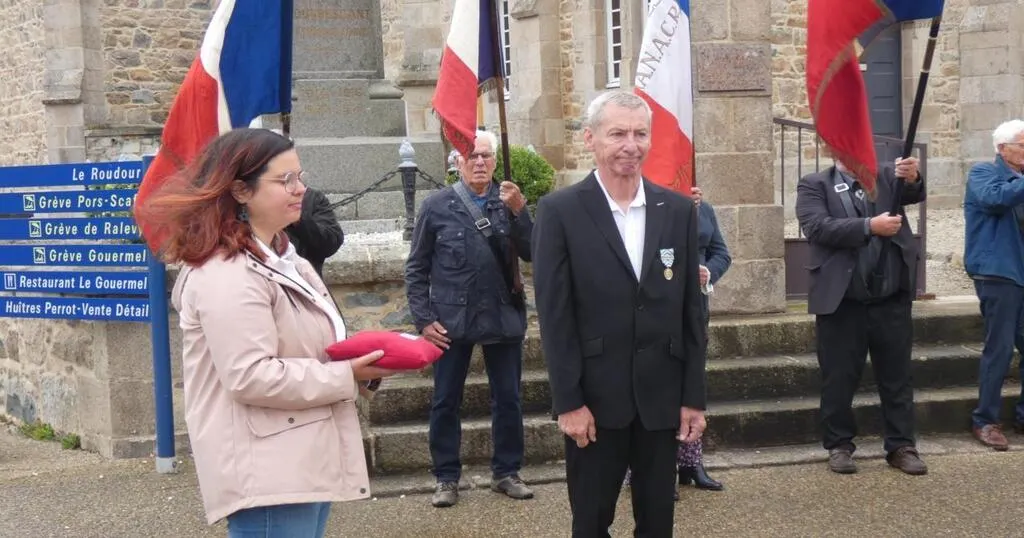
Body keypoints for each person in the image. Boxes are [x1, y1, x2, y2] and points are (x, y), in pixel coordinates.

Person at [135, 128, 397, 537]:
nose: (301, 190)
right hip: (266, 467)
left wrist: (366, 358)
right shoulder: (228, 273)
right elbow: (250, 376)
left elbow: (311, 346)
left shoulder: (287, 259)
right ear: (240, 191)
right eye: (285, 180)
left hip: (299, 453)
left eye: (300, 177)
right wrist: (347, 376)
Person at [532, 90, 707, 537]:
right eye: (618, 134)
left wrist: (692, 398)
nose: (631, 144)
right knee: (590, 523)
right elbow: (555, 318)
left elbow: (691, 312)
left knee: (658, 524)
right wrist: (568, 402)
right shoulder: (560, 212)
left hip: (660, 402)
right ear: (590, 139)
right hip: (594, 403)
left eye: (640, 133)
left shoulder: (679, 211)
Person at [405, 130, 535, 508]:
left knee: (508, 399)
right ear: (458, 161)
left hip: (502, 314)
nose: (480, 162)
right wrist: (423, 319)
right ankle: (446, 478)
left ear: (495, 161)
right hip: (451, 320)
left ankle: (506, 472)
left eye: (486, 156)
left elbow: (532, 252)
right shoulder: (437, 206)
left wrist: (521, 211)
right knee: (445, 400)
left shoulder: (509, 200)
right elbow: (416, 268)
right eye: (472, 155)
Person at [795, 151, 928, 476]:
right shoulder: (814, 185)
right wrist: (870, 226)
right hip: (842, 303)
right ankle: (839, 446)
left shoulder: (886, 176)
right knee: (838, 379)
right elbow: (817, 228)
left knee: (897, 377)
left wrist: (912, 177)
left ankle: (901, 446)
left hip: (890, 299)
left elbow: (913, 193)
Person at [623, 185, 730, 498]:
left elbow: (721, 252)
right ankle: (649, 470)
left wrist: (708, 272)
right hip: (653, 312)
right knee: (651, 387)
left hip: (694, 310)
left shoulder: (702, 209)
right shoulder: (641, 206)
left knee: (691, 385)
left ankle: (690, 464)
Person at [963, 119, 1024, 451]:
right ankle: (985, 421)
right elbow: (995, 199)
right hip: (999, 271)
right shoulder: (983, 174)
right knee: (999, 349)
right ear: (1003, 148)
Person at [286, 187, 344, 278]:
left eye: (299, 176)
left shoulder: (313, 198)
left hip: (307, 283)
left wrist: (300, 221)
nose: (301, 187)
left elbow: (331, 243)